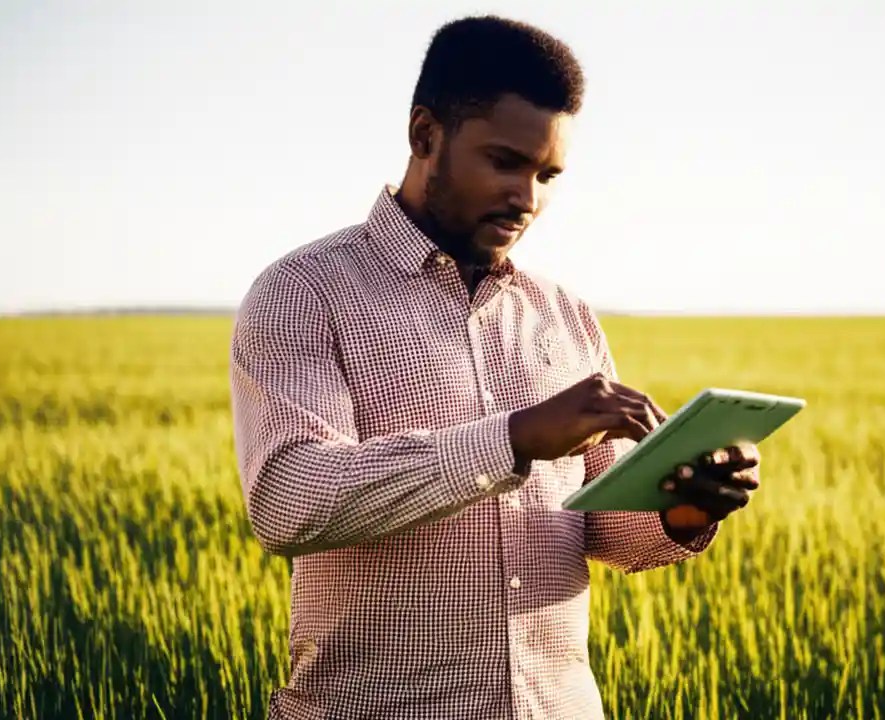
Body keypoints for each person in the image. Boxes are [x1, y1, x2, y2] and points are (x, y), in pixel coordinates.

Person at [229, 14, 762, 720]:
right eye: (505, 163)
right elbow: (288, 501)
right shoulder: (303, 292)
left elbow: (597, 525)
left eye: (548, 174)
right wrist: (513, 439)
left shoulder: (565, 314)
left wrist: (685, 506)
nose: (528, 198)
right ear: (425, 136)